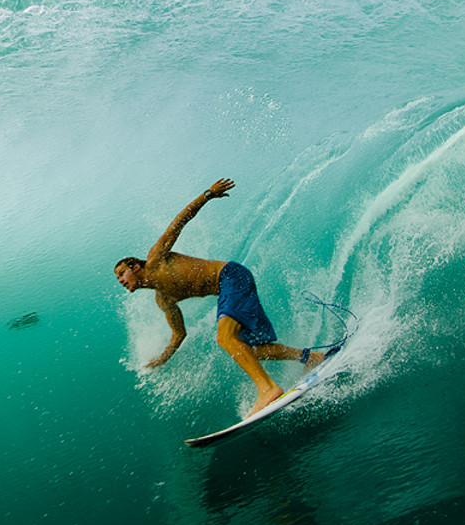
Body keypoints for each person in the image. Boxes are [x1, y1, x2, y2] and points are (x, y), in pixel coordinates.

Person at [114, 178, 332, 418]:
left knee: (225, 337)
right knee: (256, 350)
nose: (121, 281)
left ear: (134, 266)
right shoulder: (163, 300)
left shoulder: (156, 259)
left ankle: (267, 389)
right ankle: (311, 357)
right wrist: (161, 359)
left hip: (231, 276)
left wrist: (207, 194)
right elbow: (179, 334)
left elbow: (179, 222)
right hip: (231, 289)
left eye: (121, 274)